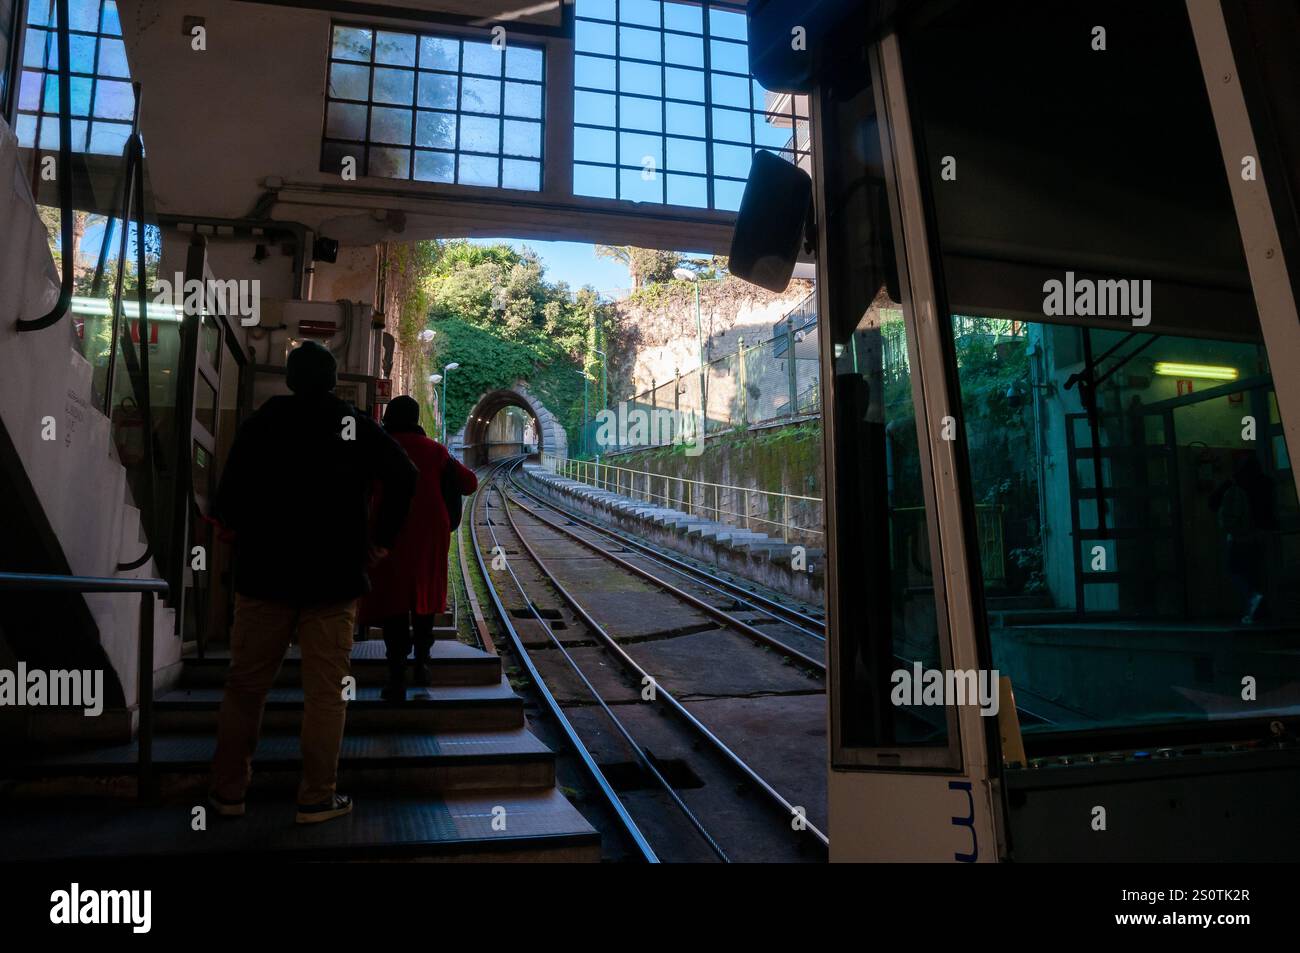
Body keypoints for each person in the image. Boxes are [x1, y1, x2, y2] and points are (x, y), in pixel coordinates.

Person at [208, 341, 417, 824]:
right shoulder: (351, 424)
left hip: (264, 577)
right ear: (333, 379)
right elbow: (403, 474)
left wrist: (232, 526)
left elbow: (230, 494)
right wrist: (381, 540)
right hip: (333, 579)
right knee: (326, 694)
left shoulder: (263, 422)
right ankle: (316, 798)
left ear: (289, 379)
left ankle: (228, 793)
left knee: (244, 688)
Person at [361, 395, 478, 701]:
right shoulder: (436, 451)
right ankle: (423, 663)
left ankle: (396, 676)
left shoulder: (379, 447)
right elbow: (470, 483)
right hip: (430, 534)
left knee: (393, 600)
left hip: (390, 532)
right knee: (424, 595)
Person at [1209, 451, 1276, 624]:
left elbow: (1213, 502)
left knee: (1235, 570)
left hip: (1239, 537)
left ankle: (1253, 603)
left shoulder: (1235, 482)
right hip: (1260, 536)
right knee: (1256, 574)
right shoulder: (1267, 482)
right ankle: (1259, 611)